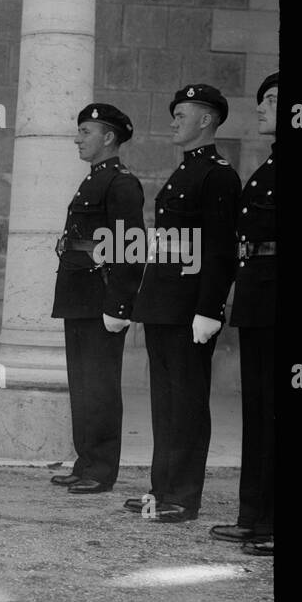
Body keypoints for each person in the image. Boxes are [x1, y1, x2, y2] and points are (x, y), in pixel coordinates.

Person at [126, 84, 240, 522]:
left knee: (188, 402)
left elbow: (219, 249)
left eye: (182, 114)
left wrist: (209, 309)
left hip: (190, 308)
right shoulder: (186, 170)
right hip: (164, 304)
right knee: (165, 403)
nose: (174, 120)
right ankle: (162, 488)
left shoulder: (217, 175)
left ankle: (183, 495)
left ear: (207, 120)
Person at [50, 104, 144, 495]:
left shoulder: (121, 183)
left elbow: (130, 247)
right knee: (83, 385)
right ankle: (85, 461)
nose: (78, 138)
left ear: (109, 137)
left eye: (85, 131)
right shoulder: (93, 180)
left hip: (101, 296)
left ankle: (101, 469)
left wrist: (119, 305)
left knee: (101, 386)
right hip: (78, 292)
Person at [211, 73, 278, 556]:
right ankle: (254, 518)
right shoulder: (270, 165)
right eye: (263, 100)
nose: (261, 107)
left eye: (274, 100)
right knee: (258, 413)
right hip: (259, 296)